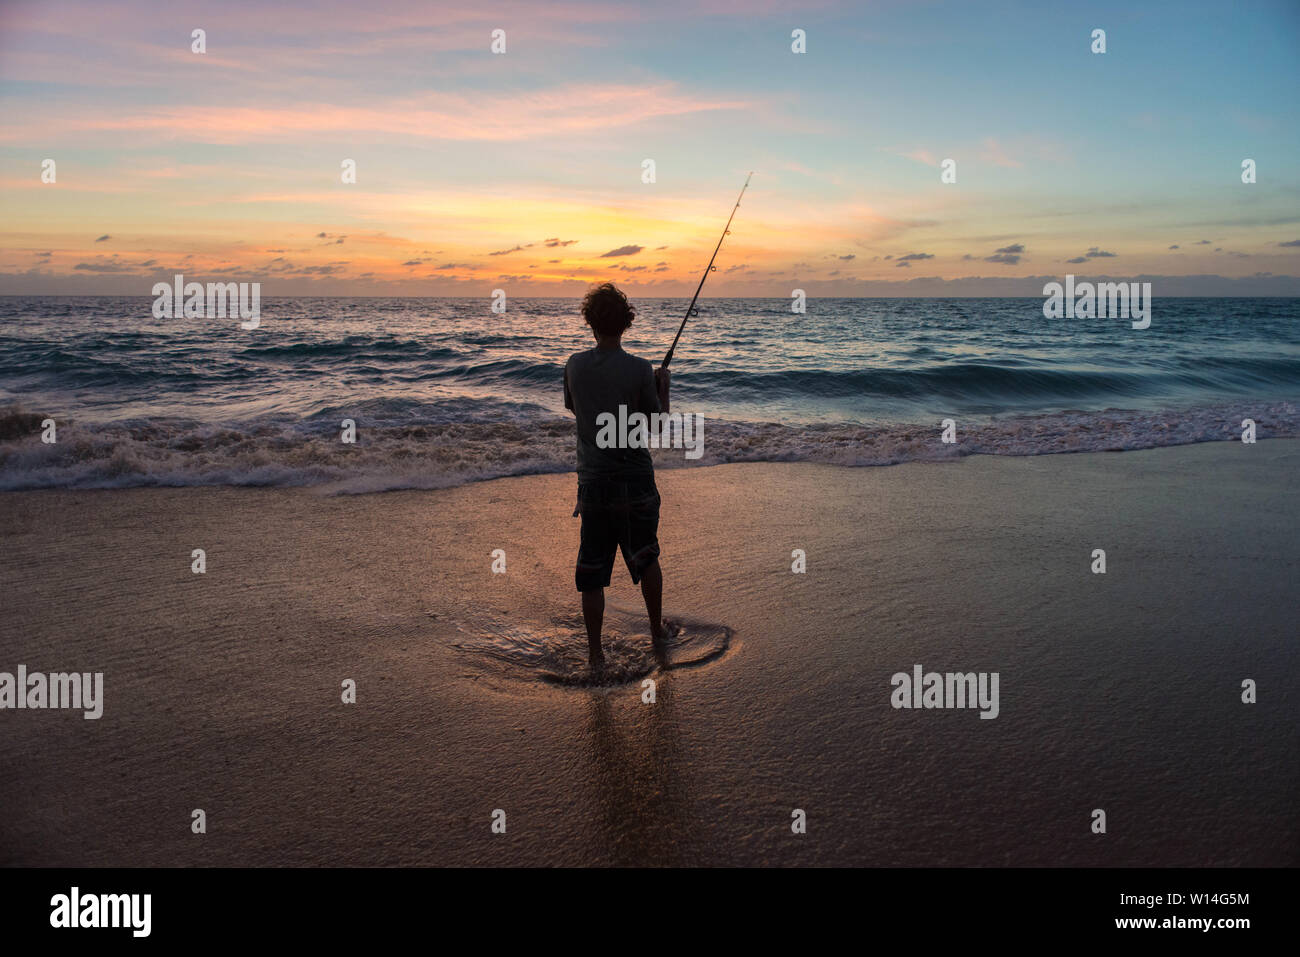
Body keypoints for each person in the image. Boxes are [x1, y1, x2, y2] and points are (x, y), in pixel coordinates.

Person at [563, 282, 670, 669]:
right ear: (625, 324)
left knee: (592, 569)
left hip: (593, 482)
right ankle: (657, 631)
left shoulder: (574, 365)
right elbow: (653, 424)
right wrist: (663, 389)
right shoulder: (641, 368)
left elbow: (577, 410)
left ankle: (595, 653)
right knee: (647, 557)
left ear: (591, 323)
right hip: (635, 479)